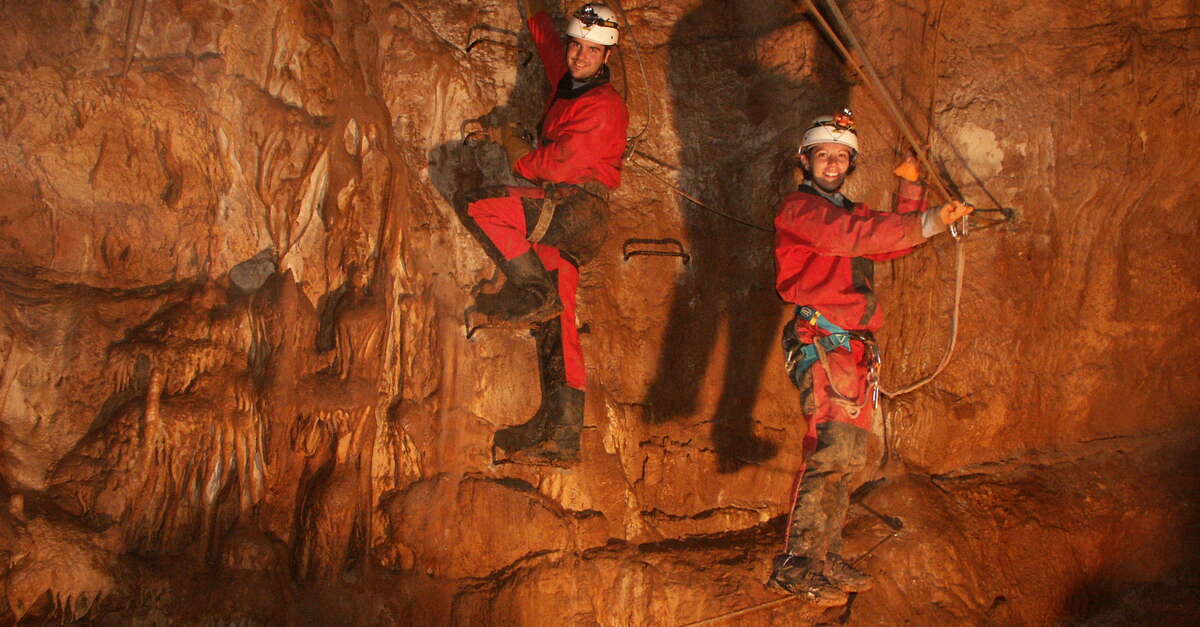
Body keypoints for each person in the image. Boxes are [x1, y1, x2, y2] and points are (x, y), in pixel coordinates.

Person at [767, 110, 973, 605]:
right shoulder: (801, 211)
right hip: (824, 340)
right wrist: (927, 221)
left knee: (849, 456)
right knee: (832, 452)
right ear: (806, 160)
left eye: (841, 156)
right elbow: (854, 236)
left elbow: (882, 245)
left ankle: (825, 552)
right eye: (824, 155)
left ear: (851, 162)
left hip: (852, 349)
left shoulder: (848, 213)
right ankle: (798, 564)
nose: (832, 163)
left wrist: (911, 194)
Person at [459, 2, 629, 465]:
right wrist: (535, 9)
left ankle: (531, 289)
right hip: (567, 216)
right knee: (560, 325)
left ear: (606, 57)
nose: (580, 56)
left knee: (480, 204)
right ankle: (561, 433)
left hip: (577, 209)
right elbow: (551, 46)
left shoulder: (604, 106)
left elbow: (554, 165)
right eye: (578, 46)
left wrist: (513, 147)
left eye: (592, 50)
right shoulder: (570, 83)